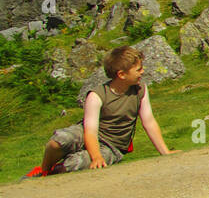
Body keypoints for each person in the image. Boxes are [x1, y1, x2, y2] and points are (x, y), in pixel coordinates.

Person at [25, 45, 173, 177]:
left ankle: (55, 172)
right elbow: (90, 131)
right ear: (121, 74)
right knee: (58, 141)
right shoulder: (96, 95)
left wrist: (165, 152)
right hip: (86, 134)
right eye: (139, 69)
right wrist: (96, 157)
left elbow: (149, 122)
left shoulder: (141, 90)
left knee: (75, 163)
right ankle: (43, 171)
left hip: (112, 146)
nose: (143, 71)